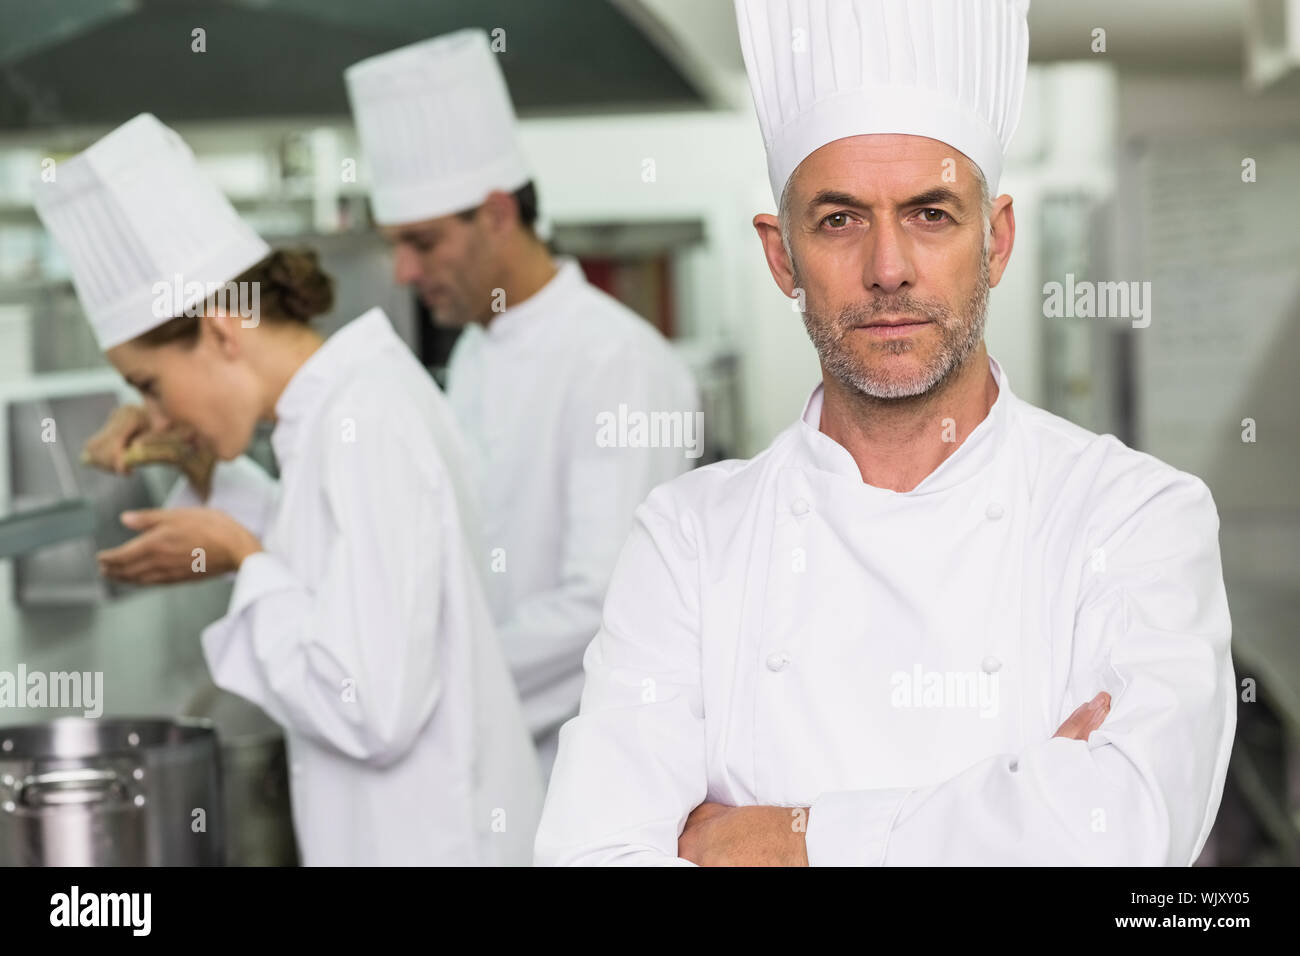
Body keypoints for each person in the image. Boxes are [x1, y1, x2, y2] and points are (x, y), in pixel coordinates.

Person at [534, 0, 1236, 866]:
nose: (888, 268)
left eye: (931, 213)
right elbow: (590, 856)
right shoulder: (689, 539)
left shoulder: (1134, 516)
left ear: (998, 240)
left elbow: (1121, 831)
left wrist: (790, 839)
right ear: (780, 254)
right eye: (839, 219)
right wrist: (1021, 809)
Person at [38, 113, 542, 865]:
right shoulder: (335, 412)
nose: (156, 410)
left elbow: (369, 709)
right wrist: (204, 472)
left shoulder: (364, 419)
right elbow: (335, 580)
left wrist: (241, 554)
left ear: (219, 331)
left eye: (150, 383)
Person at [344, 30, 701, 777]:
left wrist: (422, 690)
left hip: (569, 772)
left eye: (423, 241)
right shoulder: (476, 350)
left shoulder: (618, 362)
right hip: (471, 751)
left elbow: (600, 602)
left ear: (498, 213)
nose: (405, 272)